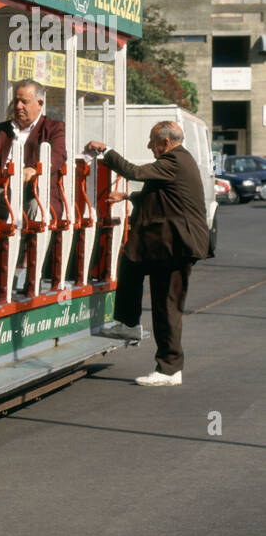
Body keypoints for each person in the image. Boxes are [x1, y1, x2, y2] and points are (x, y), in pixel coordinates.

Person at [87, 123, 210, 386]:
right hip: (166, 244)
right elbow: (162, 194)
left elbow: (134, 171)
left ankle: (169, 369)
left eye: (152, 141)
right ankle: (129, 323)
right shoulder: (177, 161)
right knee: (131, 262)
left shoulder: (174, 160)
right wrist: (128, 197)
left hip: (178, 246)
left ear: (165, 143)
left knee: (167, 306)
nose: (149, 146)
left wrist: (106, 151)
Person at [0, 80, 66, 221]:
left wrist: (35, 170)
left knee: (35, 206)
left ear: (40, 103)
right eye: (16, 101)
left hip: (33, 193)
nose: (18, 106)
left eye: (24, 102)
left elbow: (58, 155)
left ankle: (28, 243)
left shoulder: (54, 128)